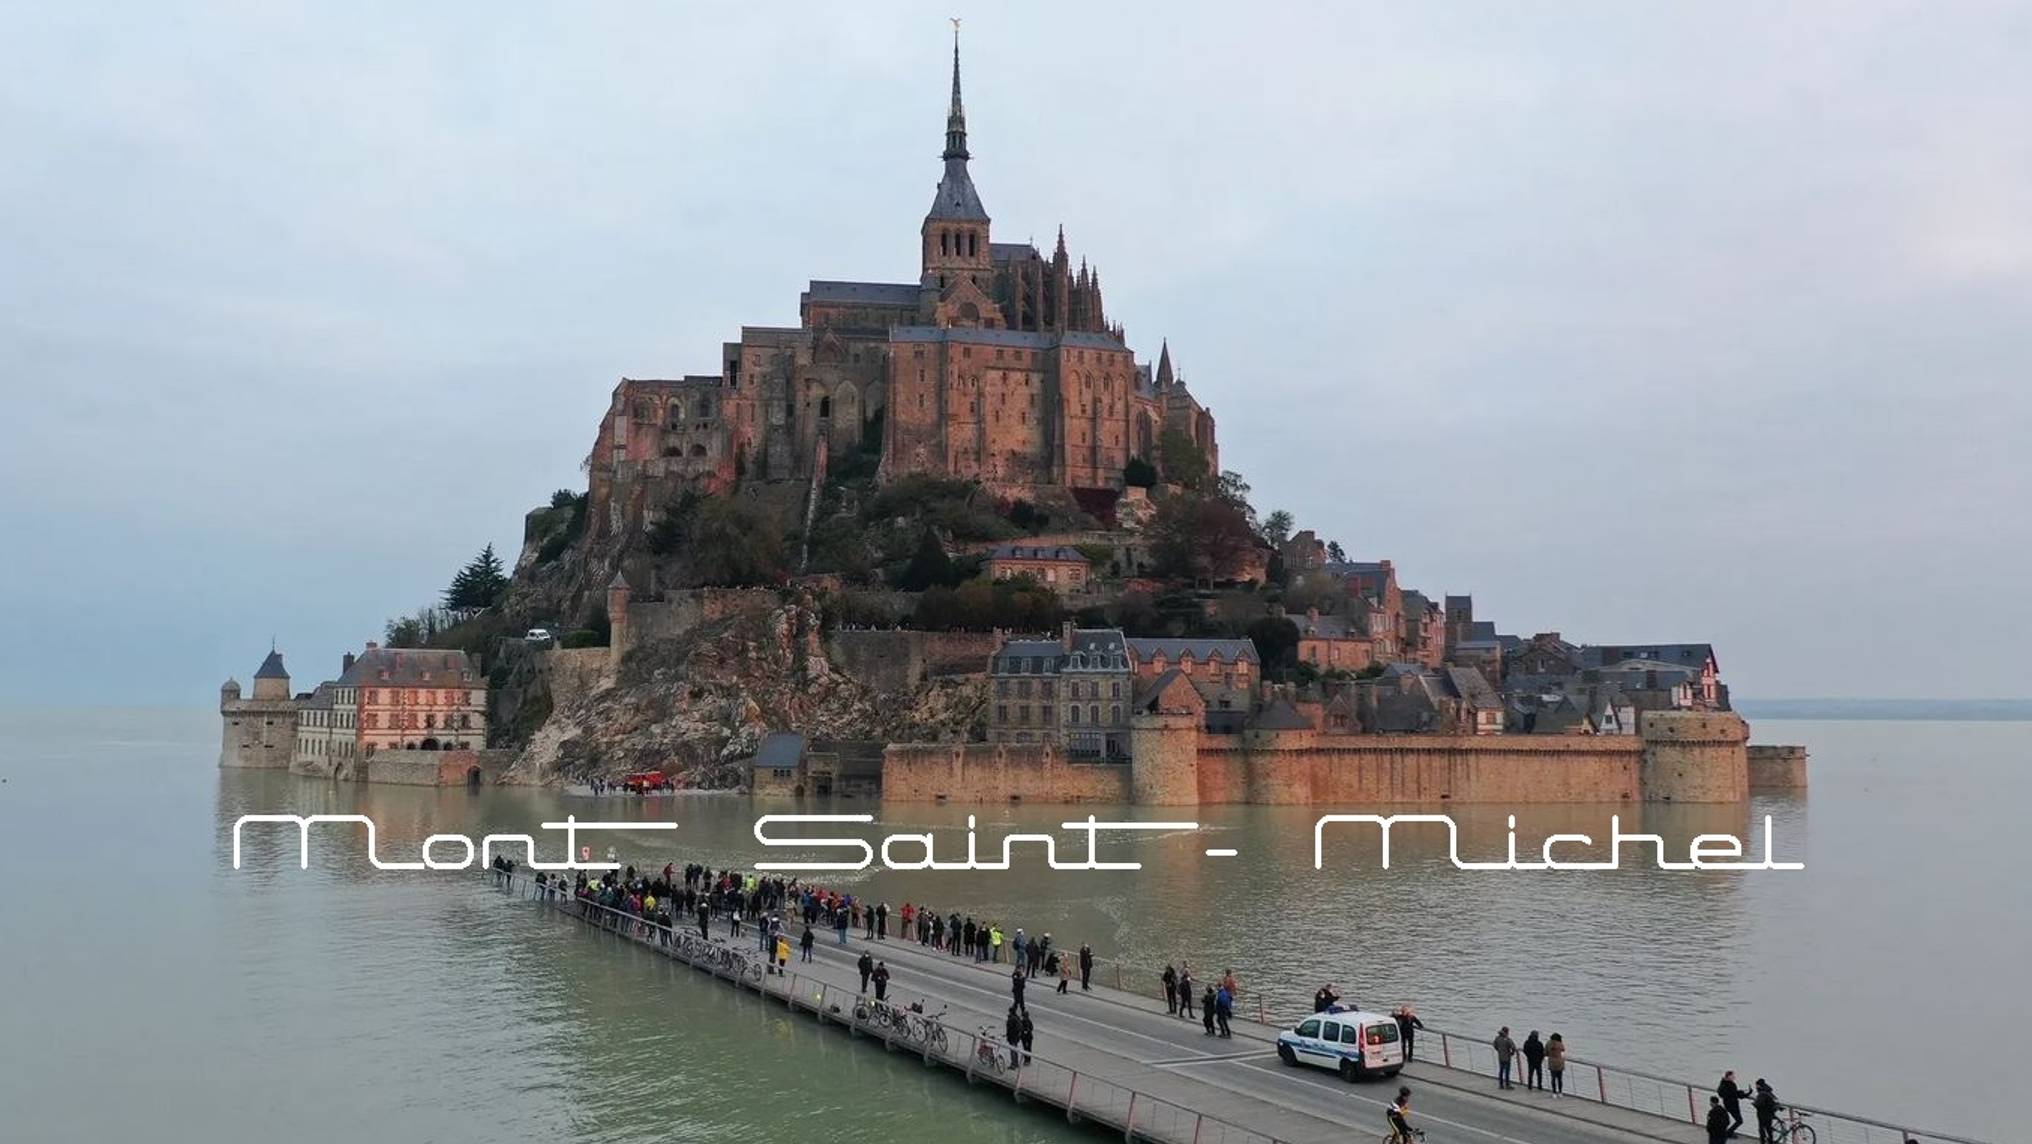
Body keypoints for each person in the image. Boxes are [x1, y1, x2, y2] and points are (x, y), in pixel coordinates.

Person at [1718, 1070, 1748, 1137]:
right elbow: (1734, 1094)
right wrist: (1744, 1094)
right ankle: (1728, 1133)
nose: (1734, 1077)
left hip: (1729, 1104)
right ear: (1728, 1076)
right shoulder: (1729, 1084)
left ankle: (1727, 1132)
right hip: (1732, 1105)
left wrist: (1741, 1093)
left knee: (1736, 1120)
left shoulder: (1725, 1083)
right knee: (1739, 1121)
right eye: (1732, 1076)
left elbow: (1734, 1093)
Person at [1752, 1079, 1781, 1144]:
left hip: (1763, 1114)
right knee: (1769, 1128)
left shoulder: (1762, 1093)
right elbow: (1775, 1100)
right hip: (1770, 1113)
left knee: (1761, 1128)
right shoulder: (1769, 1091)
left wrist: (1754, 1103)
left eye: (1756, 1085)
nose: (1756, 1087)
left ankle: (1762, 1142)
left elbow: (1759, 1104)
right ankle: (1770, 1141)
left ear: (1758, 1085)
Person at [1005, 1004, 1025, 1069]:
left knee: (1012, 1051)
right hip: (1016, 1037)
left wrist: (1008, 1036)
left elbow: (1009, 1029)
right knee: (1015, 1050)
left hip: (1012, 1037)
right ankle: (1016, 1063)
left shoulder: (1011, 1019)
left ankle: (1013, 1064)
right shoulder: (1017, 1018)